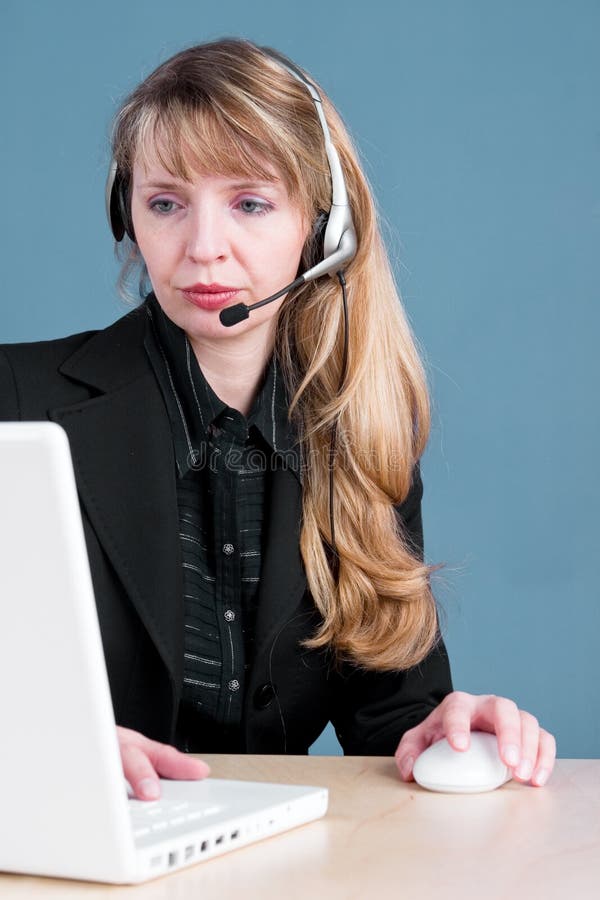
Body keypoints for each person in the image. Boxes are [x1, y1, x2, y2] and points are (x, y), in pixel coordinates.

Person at [0, 38, 555, 800]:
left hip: (272, 857)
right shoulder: (17, 403)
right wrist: (39, 744)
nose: (202, 249)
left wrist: (442, 729)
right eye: (165, 203)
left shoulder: (361, 435)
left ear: (322, 230)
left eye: (250, 204)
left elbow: (390, 715)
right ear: (125, 216)